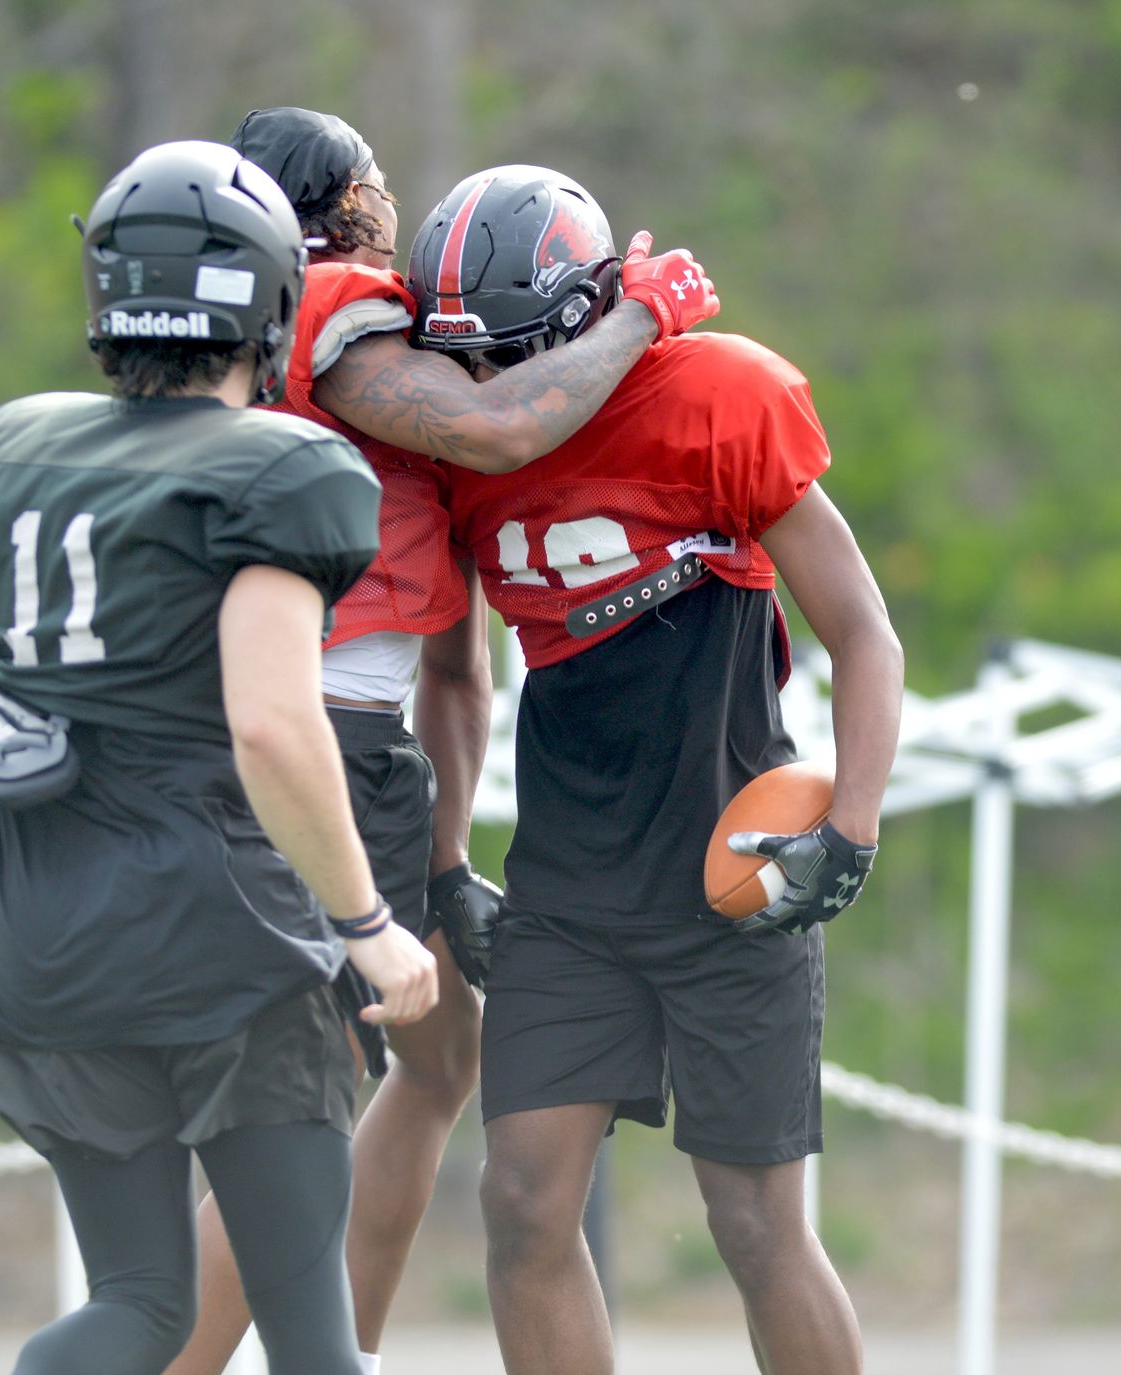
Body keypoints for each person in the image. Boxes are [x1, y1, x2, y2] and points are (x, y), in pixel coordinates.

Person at [161, 109, 723, 1375]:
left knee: (436, 1053)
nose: (384, 207)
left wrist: (443, 864)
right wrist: (639, 310)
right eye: (367, 187)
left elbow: (458, 673)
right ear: (327, 210)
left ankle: (333, 1350)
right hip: (310, 743)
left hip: (319, 750)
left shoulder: (316, 375)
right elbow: (497, 430)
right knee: (295, 1122)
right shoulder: (325, 302)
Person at [0, 140, 438, 1375]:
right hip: (224, 950)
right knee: (314, 1340)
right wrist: (368, 921)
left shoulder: (17, 448)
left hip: (46, 947)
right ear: (268, 304)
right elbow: (273, 721)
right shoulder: (280, 466)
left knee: (141, 1304)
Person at [408, 165, 904, 1375]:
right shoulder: (456, 453)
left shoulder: (715, 397)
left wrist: (849, 826)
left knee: (752, 1224)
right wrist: (442, 865)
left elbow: (862, 633)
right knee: (522, 1206)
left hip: (731, 869)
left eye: (509, 354)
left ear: (584, 318)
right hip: (569, 892)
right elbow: (454, 677)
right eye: (462, 362)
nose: (483, 389)